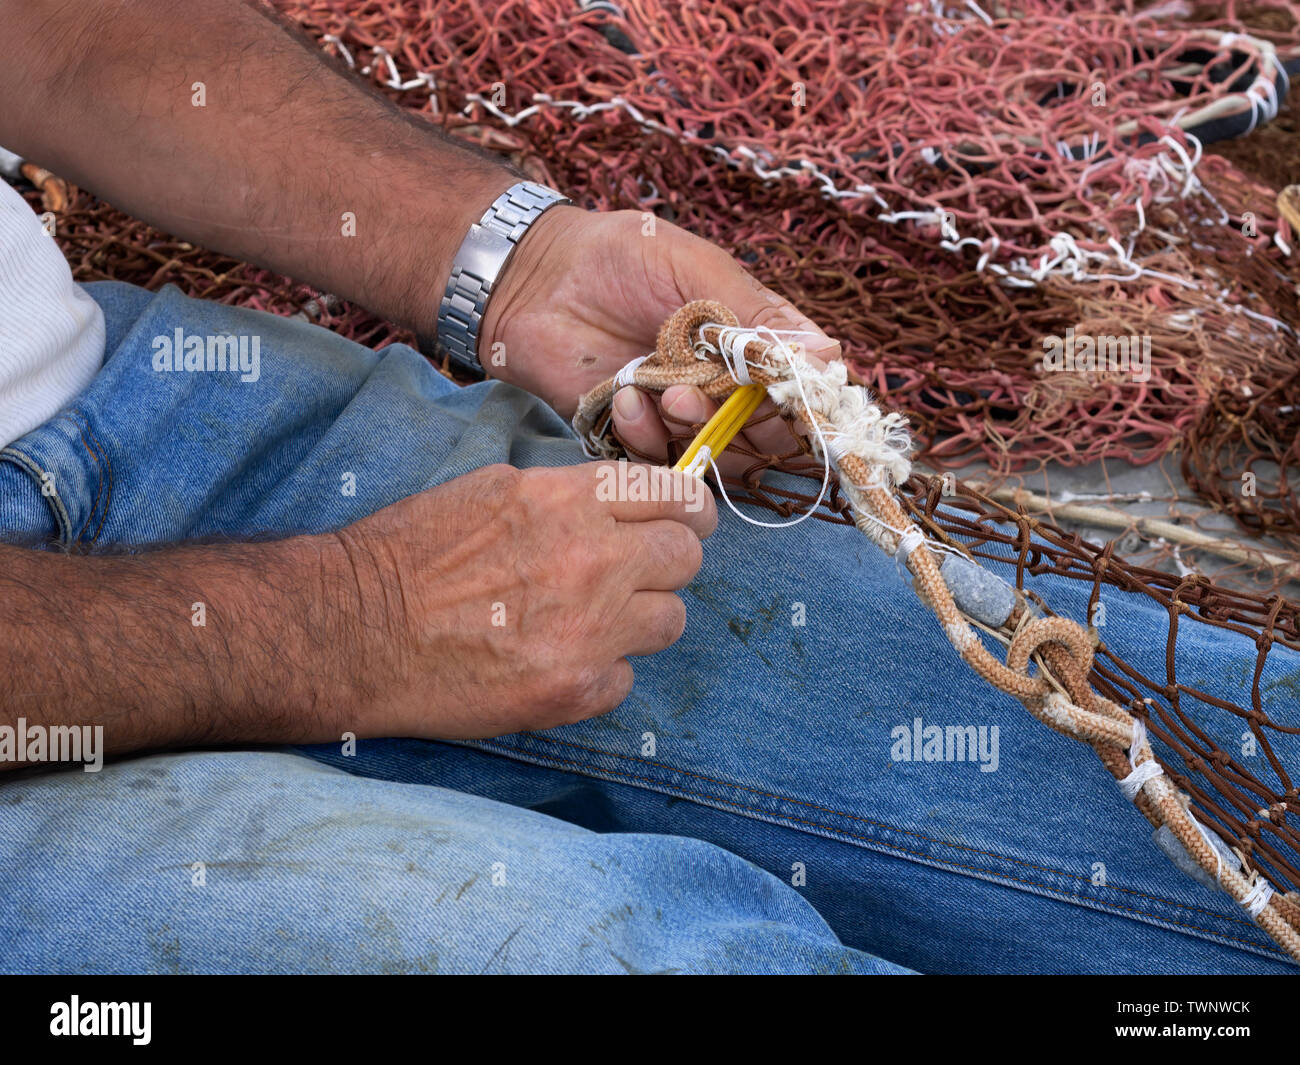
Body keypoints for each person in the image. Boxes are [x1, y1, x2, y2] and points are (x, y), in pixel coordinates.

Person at [0, 0, 1292, 974]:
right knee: (621, 946)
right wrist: (353, 618)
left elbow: (51, 36)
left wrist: (513, 263)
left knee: (1204, 749)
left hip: (118, 403)